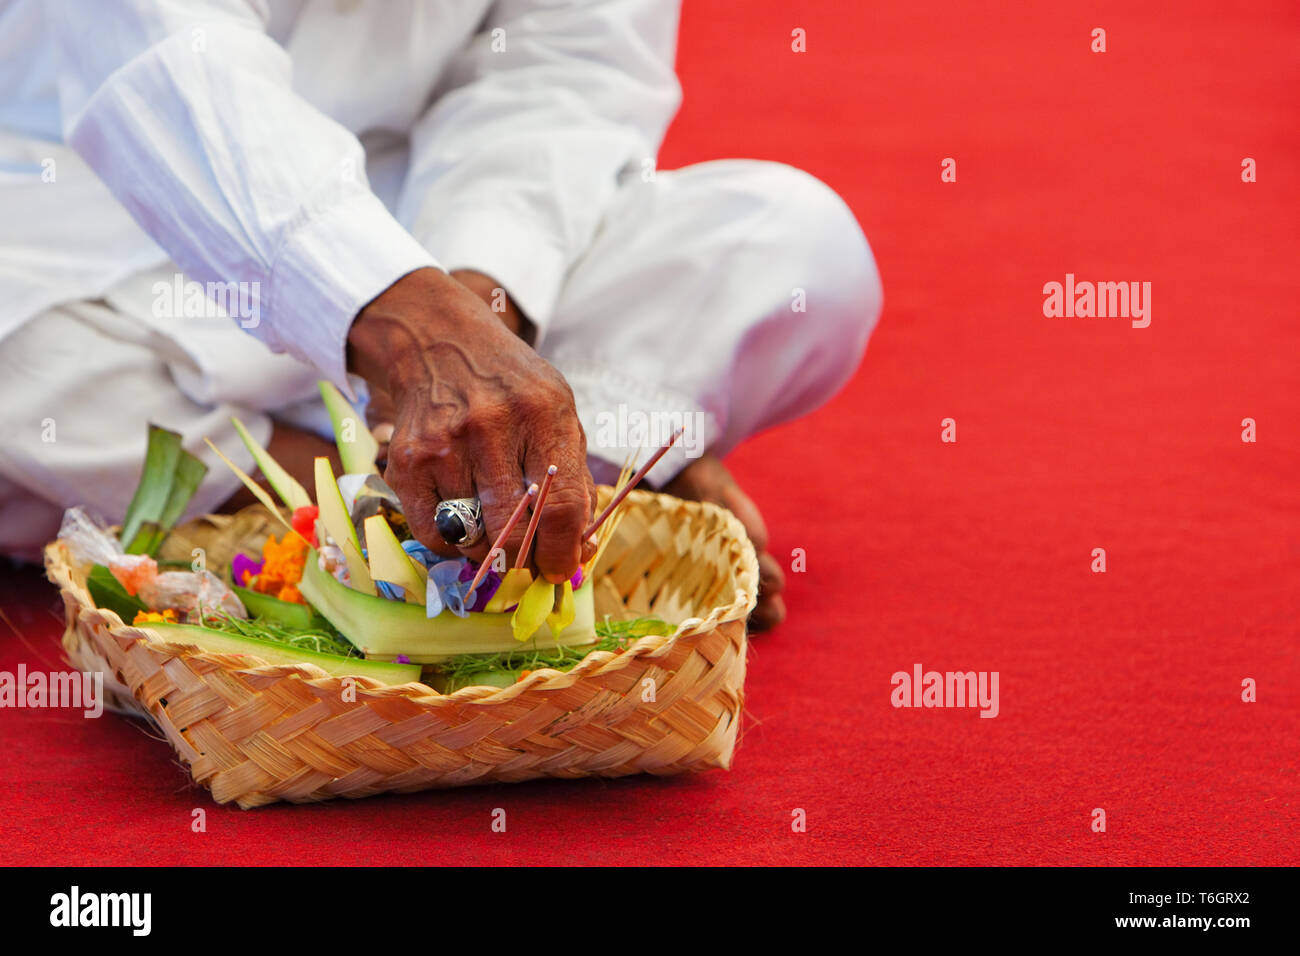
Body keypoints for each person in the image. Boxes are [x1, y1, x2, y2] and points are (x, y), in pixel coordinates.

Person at [0, 0, 881, 628]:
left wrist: (476, 315)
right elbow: (164, 69)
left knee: (794, 243)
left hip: (427, 209)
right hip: (92, 218)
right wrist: (405, 328)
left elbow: (559, 76)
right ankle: (538, 496)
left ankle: (467, 480)